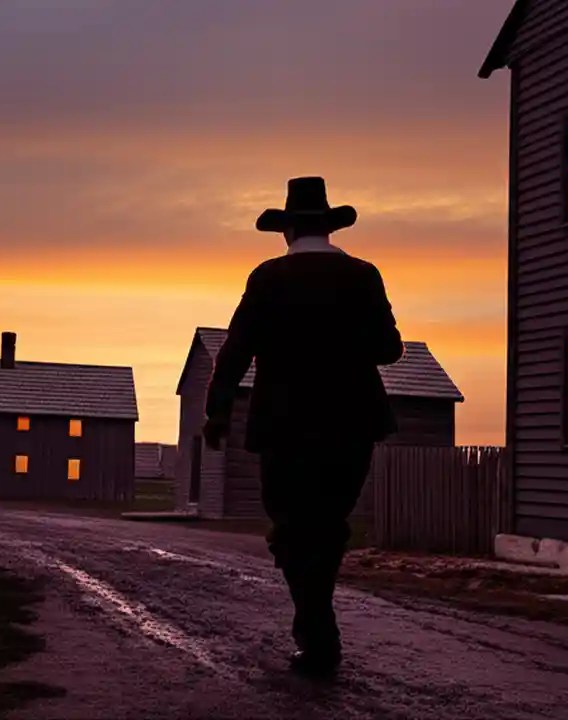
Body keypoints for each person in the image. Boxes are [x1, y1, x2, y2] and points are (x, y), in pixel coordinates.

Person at [203, 176, 402, 678]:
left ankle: (316, 630)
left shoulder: (267, 279)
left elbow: (234, 353)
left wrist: (217, 413)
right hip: (350, 424)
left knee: (292, 527)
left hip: (285, 425)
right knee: (328, 525)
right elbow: (388, 349)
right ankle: (319, 627)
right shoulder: (364, 275)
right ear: (329, 227)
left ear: (286, 230)